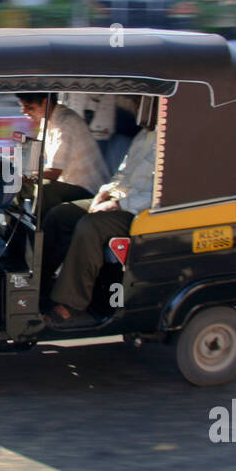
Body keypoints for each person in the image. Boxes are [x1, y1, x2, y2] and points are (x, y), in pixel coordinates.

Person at [41, 101, 158, 329]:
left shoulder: (170, 142)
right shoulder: (144, 137)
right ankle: (42, 284)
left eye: (140, 106)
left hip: (139, 212)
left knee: (90, 226)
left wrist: (120, 204)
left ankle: (71, 303)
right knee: (61, 214)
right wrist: (104, 194)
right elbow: (122, 174)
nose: (136, 111)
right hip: (119, 199)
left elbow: (158, 194)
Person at [15, 91, 109, 217]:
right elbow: (35, 157)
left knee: (45, 187)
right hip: (68, 184)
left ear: (46, 102)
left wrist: (22, 176)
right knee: (17, 179)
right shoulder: (48, 120)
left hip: (88, 189)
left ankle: (38, 232)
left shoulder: (66, 123)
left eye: (30, 107)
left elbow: (54, 172)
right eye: (22, 106)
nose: (24, 112)